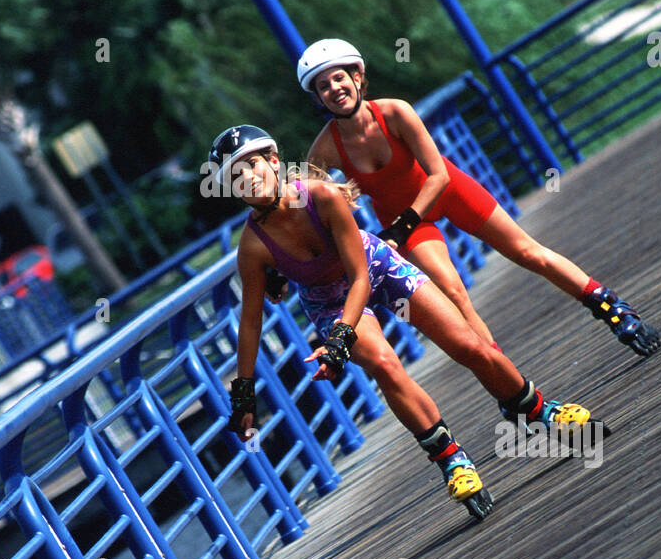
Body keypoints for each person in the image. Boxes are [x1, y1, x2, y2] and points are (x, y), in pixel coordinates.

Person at [207, 124, 604, 523]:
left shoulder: (322, 197)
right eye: (235, 177)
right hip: (328, 299)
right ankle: (452, 460)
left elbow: (360, 276)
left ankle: (537, 410)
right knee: (383, 363)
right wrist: (243, 394)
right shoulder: (254, 246)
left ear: (274, 161)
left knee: (469, 346)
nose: (248, 179)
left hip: (375, 269)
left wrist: (341, 339)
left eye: (253, 165)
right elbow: (251, 323)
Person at [296, 38, 661, 358]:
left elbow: (437, 175)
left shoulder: (395, 112)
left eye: (340, 78)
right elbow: (304, 213)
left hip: (445, 191)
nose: (335, 89)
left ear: (358, 76)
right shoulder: (325, 149)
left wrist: (399, 228)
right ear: (317, 98)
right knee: (452, 290)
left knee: (526, 252)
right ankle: (503, 373)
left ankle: (613, 308)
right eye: (324, 86)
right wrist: (282, 268)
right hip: (405, 221)